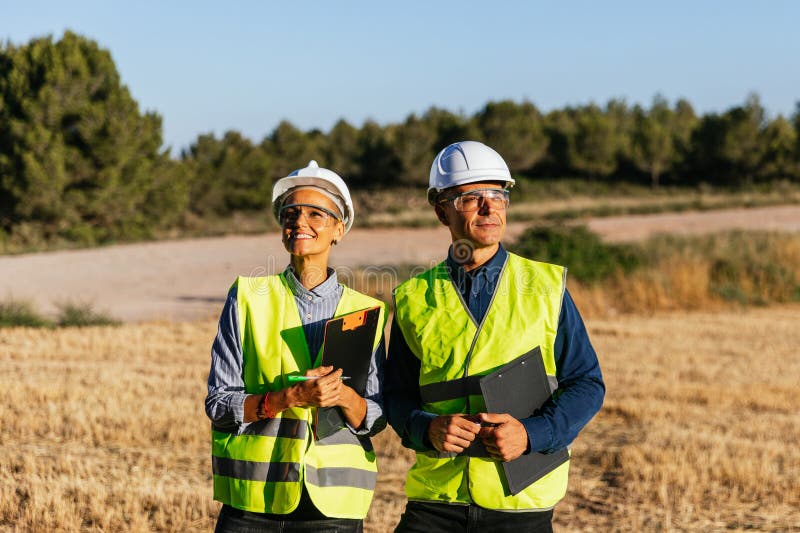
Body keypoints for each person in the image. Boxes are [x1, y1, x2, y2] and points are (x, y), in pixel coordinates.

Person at [385, 141, 605, 532]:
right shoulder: (412, 297)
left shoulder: (546, 286)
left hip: (519, 504)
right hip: (436, 502)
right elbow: (396, 396)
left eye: (498, 195)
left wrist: (532, 433)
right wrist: (426, 429)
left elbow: (586, 383)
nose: (490, 208)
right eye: (472, 197)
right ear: (442, 210)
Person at [205, 160, 387, 532]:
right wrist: (288, 398)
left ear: (339, 229)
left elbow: (378, 415)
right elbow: (218, 403)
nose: (300, 221)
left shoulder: (367, 312)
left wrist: (342, 397)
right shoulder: (248, 297)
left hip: (334, 508)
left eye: (316, 214)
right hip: (252, 504)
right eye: (291, 213)